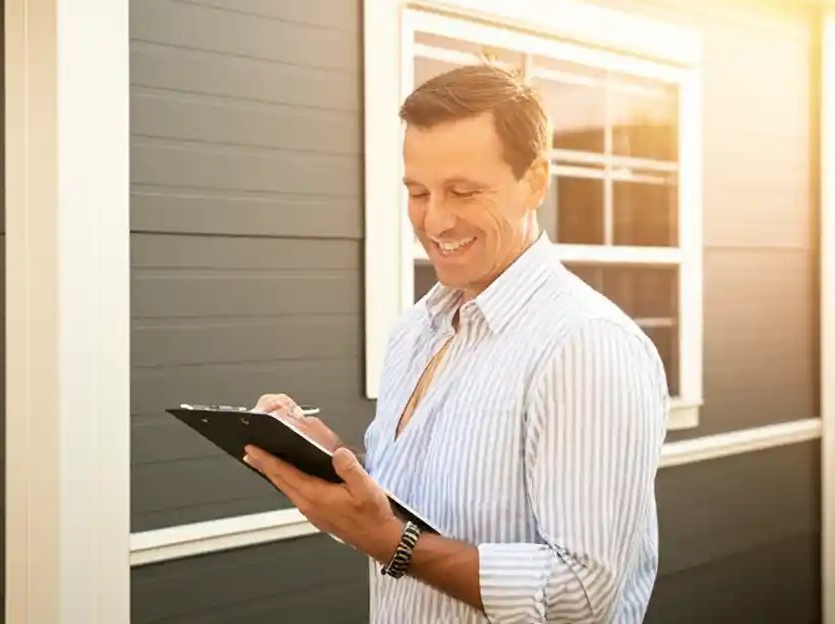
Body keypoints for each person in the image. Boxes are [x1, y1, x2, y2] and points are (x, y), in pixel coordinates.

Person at [243, 64, 669, 623]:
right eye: (417, 192)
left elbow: (582, 598)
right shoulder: (415, 331)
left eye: (463, 191)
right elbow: (411, 515)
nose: (435, 220)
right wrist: (331, 463)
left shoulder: (585, 345)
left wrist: (393, 544)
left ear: (535, 181)